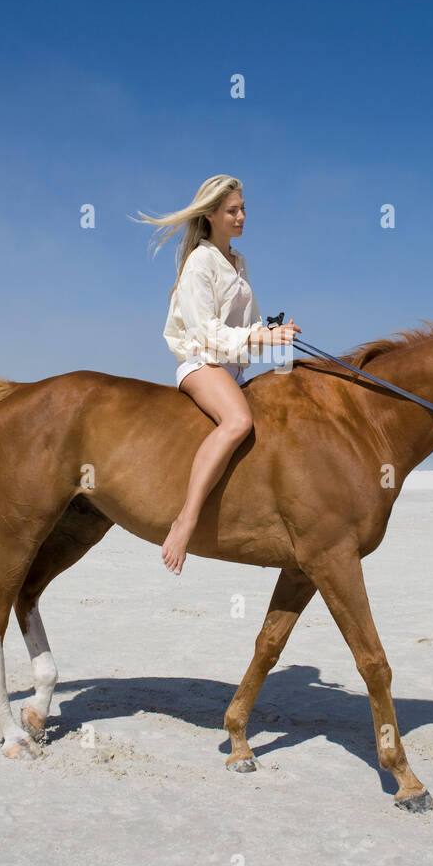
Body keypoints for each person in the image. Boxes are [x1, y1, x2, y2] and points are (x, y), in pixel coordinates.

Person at [134, 175, 300, 574]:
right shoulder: (200, 262)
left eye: (243, 209)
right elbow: (206, 332)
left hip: (235, 367)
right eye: (232, 211)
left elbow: (251, 324)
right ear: (210, 215)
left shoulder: (239, 263)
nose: (242, 216)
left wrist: (275, 335)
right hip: (202, 362)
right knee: (239, 420)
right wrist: (263, 337)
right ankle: (185, 520)